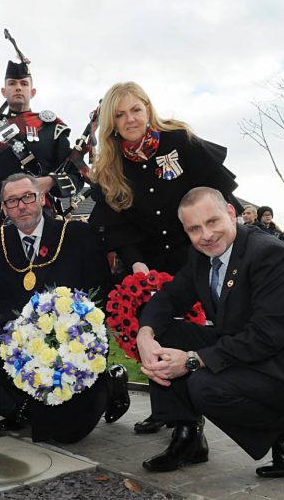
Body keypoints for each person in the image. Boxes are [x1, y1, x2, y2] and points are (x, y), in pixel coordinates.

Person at [135, 187, 284, 477]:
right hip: (242, 348)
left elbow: (267, 336)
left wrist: (192, 360)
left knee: (204, 386)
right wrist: (145, 335)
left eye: (212, 222)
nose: (206, 235)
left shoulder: (269, 255)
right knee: (164, 333)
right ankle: (188, 438)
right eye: (194, 229)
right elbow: (171, 296)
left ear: (231, 214)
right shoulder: (202, 255)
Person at [88, 81, 242, 435]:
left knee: (192, 332)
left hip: (197, 251)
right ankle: (166, 412)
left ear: (148, 107)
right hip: (148, 261)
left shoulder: (179, 140)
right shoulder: (110, 165)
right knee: (154, 328)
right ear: (111, 122)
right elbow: (117, 224)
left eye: (136, 110)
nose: (130, 120)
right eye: (120, 114)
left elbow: (217, 193)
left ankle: (191, 416)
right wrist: (136, 261)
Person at [0, 173, 130, 443]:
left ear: (41, 198)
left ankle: (111, 383)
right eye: (13, 201)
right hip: (23, 336)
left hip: (70, 340)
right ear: (5, 209)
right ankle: (23, 404)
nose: (22, 206)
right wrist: (26, 330)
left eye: (28, 197)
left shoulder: (77, 235)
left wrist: (70, 328)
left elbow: (100, 291)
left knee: (67, 435)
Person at [0, 58, 83, 225]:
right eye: (12, 83)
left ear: (33, 91)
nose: (18, 87)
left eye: (24, 83)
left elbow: (76, 177)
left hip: (44, 215)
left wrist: (50, 182)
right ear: (3, 91)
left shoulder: (52, 128)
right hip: (0, 218)